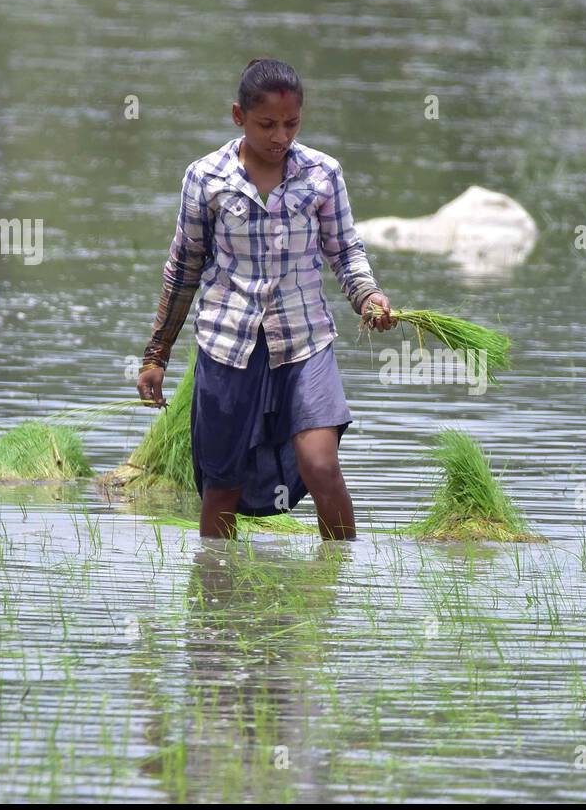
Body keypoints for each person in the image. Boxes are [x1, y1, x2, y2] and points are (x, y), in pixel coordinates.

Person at [136, 58, 396, 540]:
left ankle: (338, 587)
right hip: (228, 344)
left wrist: (368, 296)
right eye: (267, 125)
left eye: (292, 124)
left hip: (304, 340)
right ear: (239, 116)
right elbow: (184, 268)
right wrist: (156, 353)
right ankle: (216, 600)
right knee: (222, 485)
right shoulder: (206, 178)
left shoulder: (322, 174)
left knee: (321, 466)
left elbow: (345, 252)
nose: (280, 136)